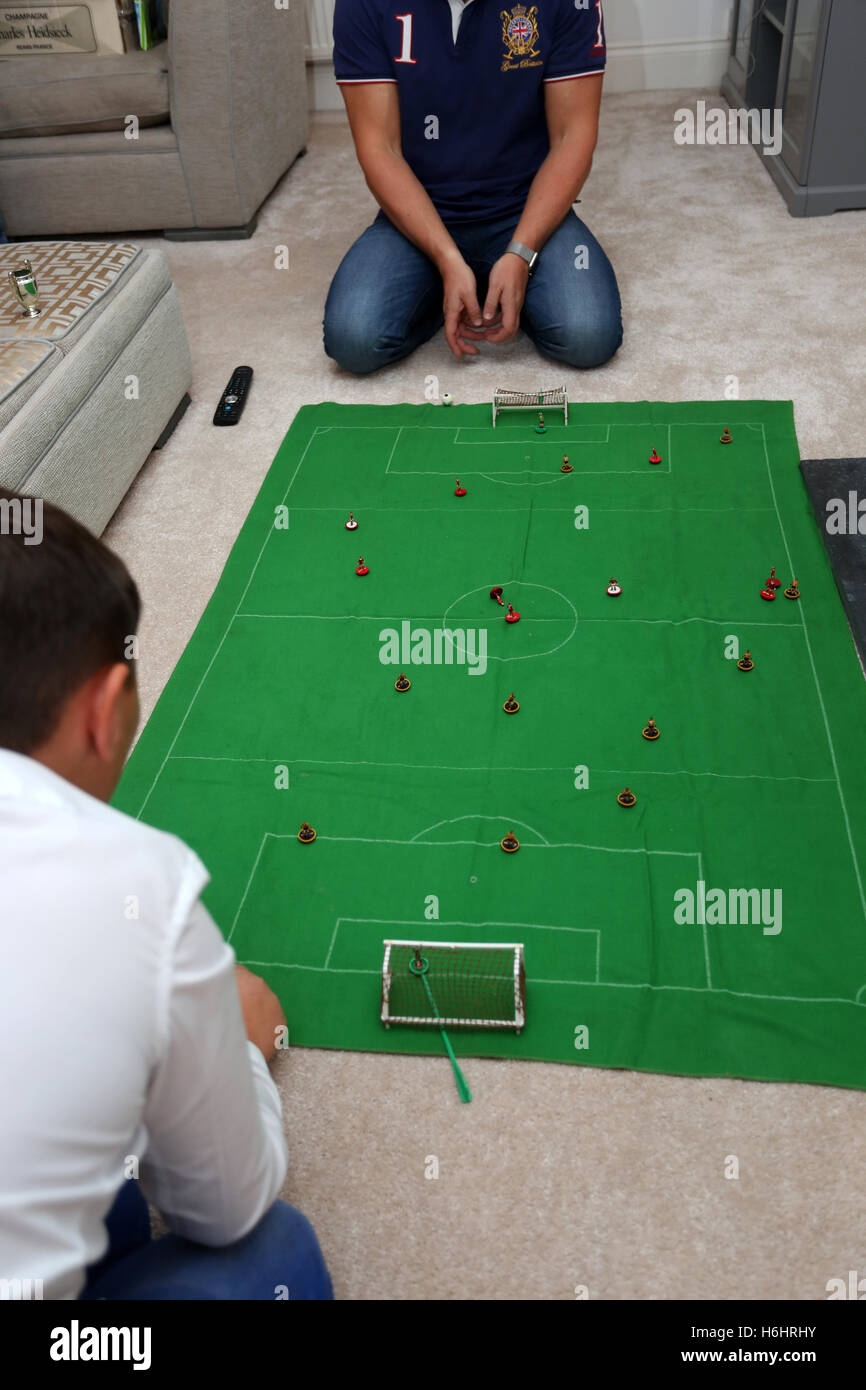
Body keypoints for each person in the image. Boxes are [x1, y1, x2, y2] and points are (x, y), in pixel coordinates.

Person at [0, 489, 332, 1300]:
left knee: (97, 1175)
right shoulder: (140, 885)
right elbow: (225, 1207)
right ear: (105, 712)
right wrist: (249, 1055)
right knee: (273, 1256)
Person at [325, 0, 622, 375]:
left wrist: (520, 252)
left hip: (524, 208)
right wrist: (446, 258)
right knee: (355, 339)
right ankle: (447, 282)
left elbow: (573, 137)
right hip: (422, 215)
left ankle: (506, 281)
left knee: (588, 335)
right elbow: (379, 149)